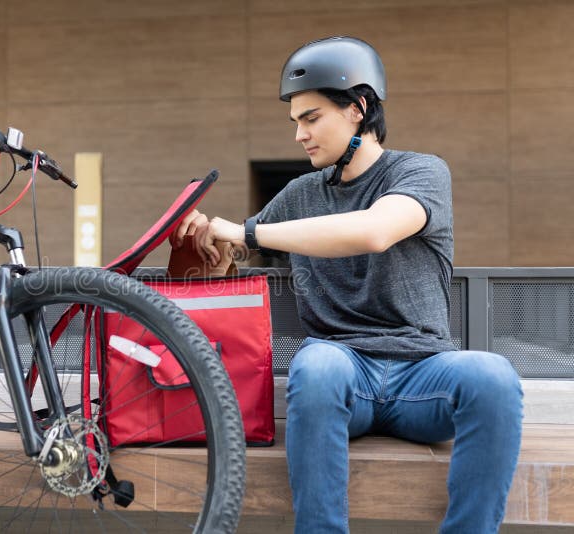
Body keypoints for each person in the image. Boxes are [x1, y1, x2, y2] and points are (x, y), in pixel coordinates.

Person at [171, 36, 523, 533]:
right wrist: (207, 238)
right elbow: (232, 251)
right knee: (314, 364)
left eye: (311, 118)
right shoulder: (299, 194)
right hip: (343, 376)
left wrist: (244, 230)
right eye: (295, 121)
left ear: (358, 108)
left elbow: (375, 231)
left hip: (423, 375)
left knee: (494, 377)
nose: (299, 135)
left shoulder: (420, 172)